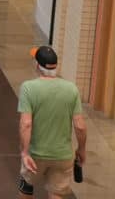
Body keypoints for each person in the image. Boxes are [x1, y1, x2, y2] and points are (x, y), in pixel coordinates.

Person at [18, 46, 86, 198]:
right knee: (56, 194)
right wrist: (81, 149)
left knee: (26, 188)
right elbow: (80, 126)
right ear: (56, 66)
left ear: (37, 65)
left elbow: (26, 124)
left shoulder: (28, 88)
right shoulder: (71, 89)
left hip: (35, 155)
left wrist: (25, 152)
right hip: (62, 155)